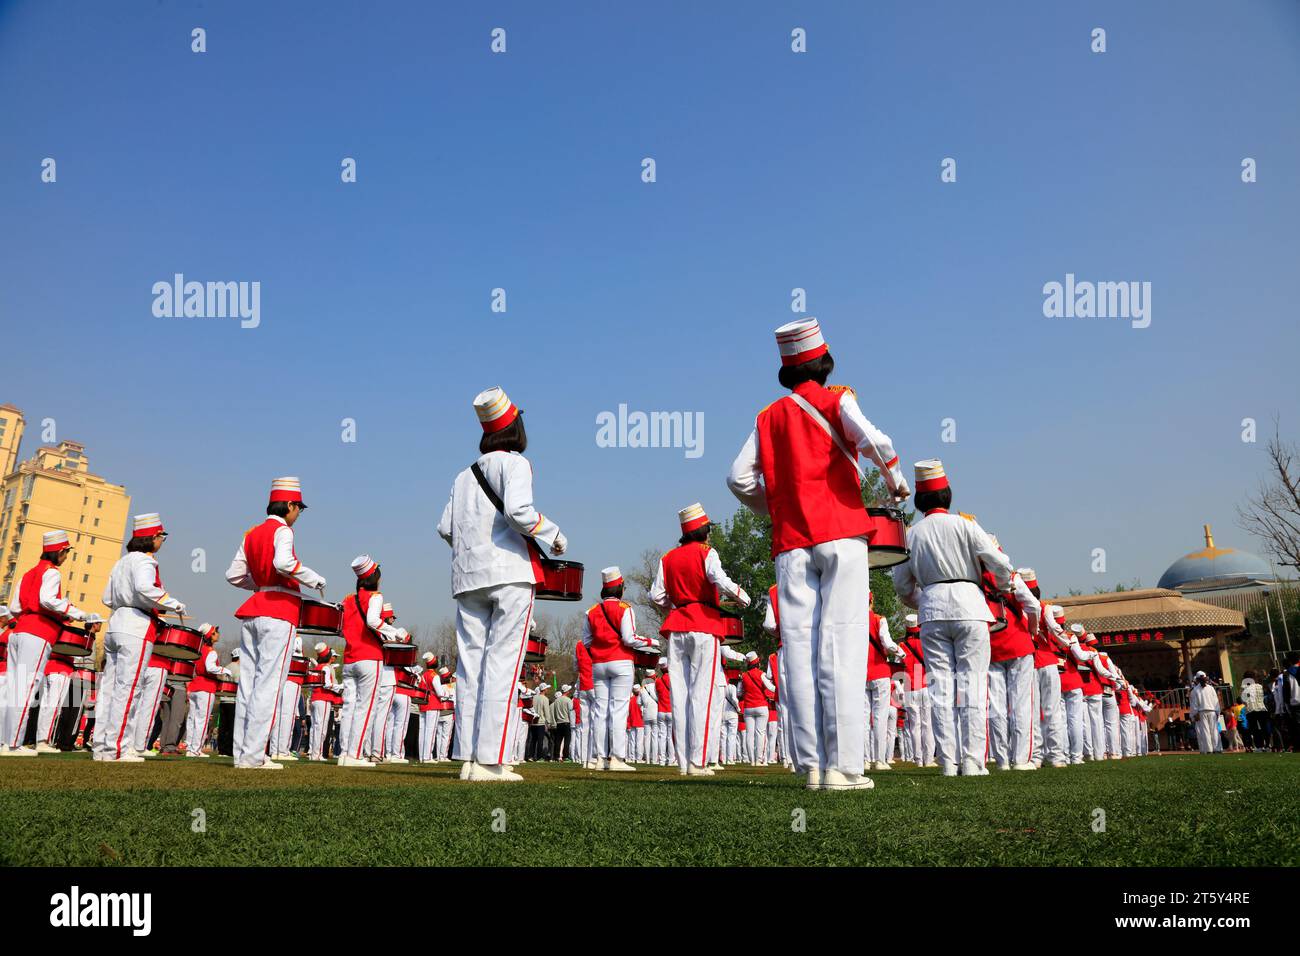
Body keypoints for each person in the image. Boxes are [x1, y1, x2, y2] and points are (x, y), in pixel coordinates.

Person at [727, 318, 908, 791]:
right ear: (824, 361)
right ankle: (844, 766)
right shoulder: (838, 396)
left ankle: (809, 766)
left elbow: (738, 478)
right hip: (843, 532)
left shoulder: (766, 417)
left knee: (800, 655)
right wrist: (895, 481)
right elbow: (874, 441)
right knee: (843, 646)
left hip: (791, 541)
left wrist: (779, 506)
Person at [437, 387, 567, 783]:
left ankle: (469, 758)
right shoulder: (516, 464)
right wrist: (554, 533)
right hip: (509, 573)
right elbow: (518, 512)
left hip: (467, 577)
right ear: (516, 428)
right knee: (503, 665)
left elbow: (444, 527)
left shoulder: (463, 476)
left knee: (471, 667)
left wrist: (472, 545)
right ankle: (491, 761)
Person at [891, 464, 1014, 777]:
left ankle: (948, 761)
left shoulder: (911, 534)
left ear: (918, 501)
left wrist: (926, 602)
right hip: (970, 605)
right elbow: (999, 562)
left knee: (941, 688)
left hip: (932, 610)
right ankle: (973, 760)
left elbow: (902, 586)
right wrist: (1000, 587)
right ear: (947, 495)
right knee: (973, 684)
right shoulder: (966, 525)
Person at [225, 477, 325, 770]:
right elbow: (283, 563)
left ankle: (243, 753)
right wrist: (314, 578)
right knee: (268, 686)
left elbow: (233, 574)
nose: (298, 516)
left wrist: (261, 584)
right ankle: (254, 756)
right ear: (290, 505)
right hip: (278, 612)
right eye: (299, 510)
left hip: (254, 609)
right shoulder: (283, 531)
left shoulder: (252, 533)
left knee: (249, 686)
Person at [650, 504, 751, 776]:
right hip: (703, 623)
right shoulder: (707, 552)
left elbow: (656, 596)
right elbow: (717, 577)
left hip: (677, 625)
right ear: (704, 531)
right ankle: (698, 762)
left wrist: (677, 606)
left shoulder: (668, 557)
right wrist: (741, 595)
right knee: (702, 695)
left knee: (679, 696)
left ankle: (684, 763)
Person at [94, 514, 188, 763]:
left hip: (115, 623)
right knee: (129, 689)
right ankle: (118, 749)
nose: (162, 541)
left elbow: (106, 598)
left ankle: (102, 748)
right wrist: (173, 603)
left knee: (109, 689)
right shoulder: (147, 562)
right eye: (161, 537)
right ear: (153, 538)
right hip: (135, 625)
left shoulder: (121, 562)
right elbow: (145, 589)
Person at [2, 530, 91, 756]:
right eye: (66, 552)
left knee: (14, 688)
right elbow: (47, 600)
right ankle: (14, 744)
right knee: (26, 687)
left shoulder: (28, 573)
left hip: (19, 632)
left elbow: (14, 608)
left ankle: (5, 742)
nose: (66, 557)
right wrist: (79, 614)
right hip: (38, 632)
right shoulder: (52, 573)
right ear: (61, 551)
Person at [336, 554, 402, 768]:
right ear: (374, 577)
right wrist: (396, 633)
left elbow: (340, 629)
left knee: (349, 707)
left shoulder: (348, 599)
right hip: (369, 657)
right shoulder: (375, 596)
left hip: (349, 658)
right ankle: (354, 755)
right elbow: (373, 621)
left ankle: (344, 752)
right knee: (366, 707)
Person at [983, 561, 1040, 771]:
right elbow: (1033, 605)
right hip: (1019, 644)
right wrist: (1033, 629)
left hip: (990, 648)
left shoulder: (974, 580)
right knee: (1020, 704)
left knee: (995, 706)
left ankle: (1002, 760)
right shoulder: (1011, 577)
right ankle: (1021, 759)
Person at [865, 593, 903, 772]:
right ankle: (880, 760)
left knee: (863, 719)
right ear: (872, 601)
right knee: (879, 717)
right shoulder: (879, 619)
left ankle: (864, 760)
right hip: (880, 672)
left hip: (861, 674)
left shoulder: (852, 622)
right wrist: (899, 652)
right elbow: (886, 643)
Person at [898, 613, 935, 767]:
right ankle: (928, 758)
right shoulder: (925, 642)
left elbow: (898, 664)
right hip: (925, 686)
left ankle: (918, 759)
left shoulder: (901, 646)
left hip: (909, 687)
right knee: (928, 724)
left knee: (914, 726)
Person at [184, 628, 223, 756]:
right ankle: (196, 750)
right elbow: (211, 668)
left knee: (192, 718)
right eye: (215, 632)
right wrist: (224, 671)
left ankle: (190, 747)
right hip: (206, 686)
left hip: (195, 686)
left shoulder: (198, 650)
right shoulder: (211, 651)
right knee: (202, 719)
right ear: (210, 635)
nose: (218, 634)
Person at [739, 650, 775, 766]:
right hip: (761, 706)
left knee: (749, 734)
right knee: (760, 733)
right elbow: (771, 688)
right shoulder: (761, 674)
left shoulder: (744, 676)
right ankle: (759, 760)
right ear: (757, 662)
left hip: (748, 708)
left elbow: (739, 693)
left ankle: (752, 760)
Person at [310, 643, 342, 761]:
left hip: (315, 699)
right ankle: (316, 754)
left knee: (315, 727)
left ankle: (313, 753)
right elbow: (327, 685)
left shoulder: (317, 667)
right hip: (322, 698)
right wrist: (340, 686)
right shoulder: (325, 667)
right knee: (321, 728)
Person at [1190, 670, 1220, 754]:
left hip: (1202, 712)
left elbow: (1194, 704)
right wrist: (1217, 711)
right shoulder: (1211, 688)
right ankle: (1217, 748)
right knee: (1214, 730)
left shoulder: (1195, 690)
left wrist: (1195, 714)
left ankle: (1208, 749)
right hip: (1212, 711)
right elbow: (1216, 701)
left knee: (1205, 731)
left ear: (1197, 680)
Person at [551, 684, 573, 761]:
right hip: (566, 722)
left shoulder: (556, 701)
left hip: (559, 722)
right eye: (569, 690)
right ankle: (565, 756)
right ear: (567, 691)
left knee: (558, 741)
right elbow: (571, 712)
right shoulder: (568, 700)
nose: (569, 691)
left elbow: (554, 712)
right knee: (567, 740)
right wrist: (572, 722)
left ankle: (556, 756)